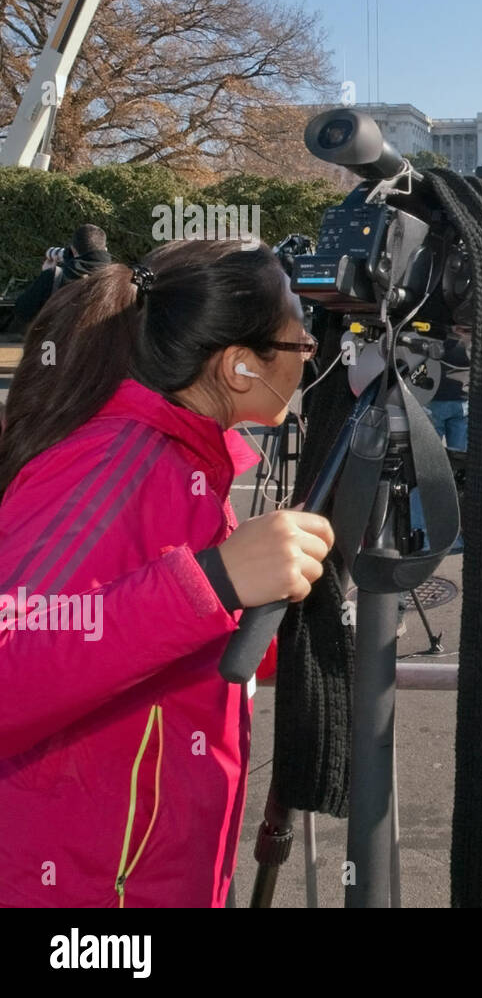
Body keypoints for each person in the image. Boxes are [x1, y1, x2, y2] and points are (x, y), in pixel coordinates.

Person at [0, 240, 335, 908]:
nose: (314, 351)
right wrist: (212, 583)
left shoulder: (182, 462)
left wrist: (253, 619)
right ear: (239, 366)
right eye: (300, 340)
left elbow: (150, 643)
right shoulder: (114, 466)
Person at [11, 223, 113, 332]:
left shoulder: (56, 276)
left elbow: (22, 311)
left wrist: (47, 275)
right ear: (105, 250)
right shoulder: (120, 279)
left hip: (58, 347)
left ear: (73, 250)